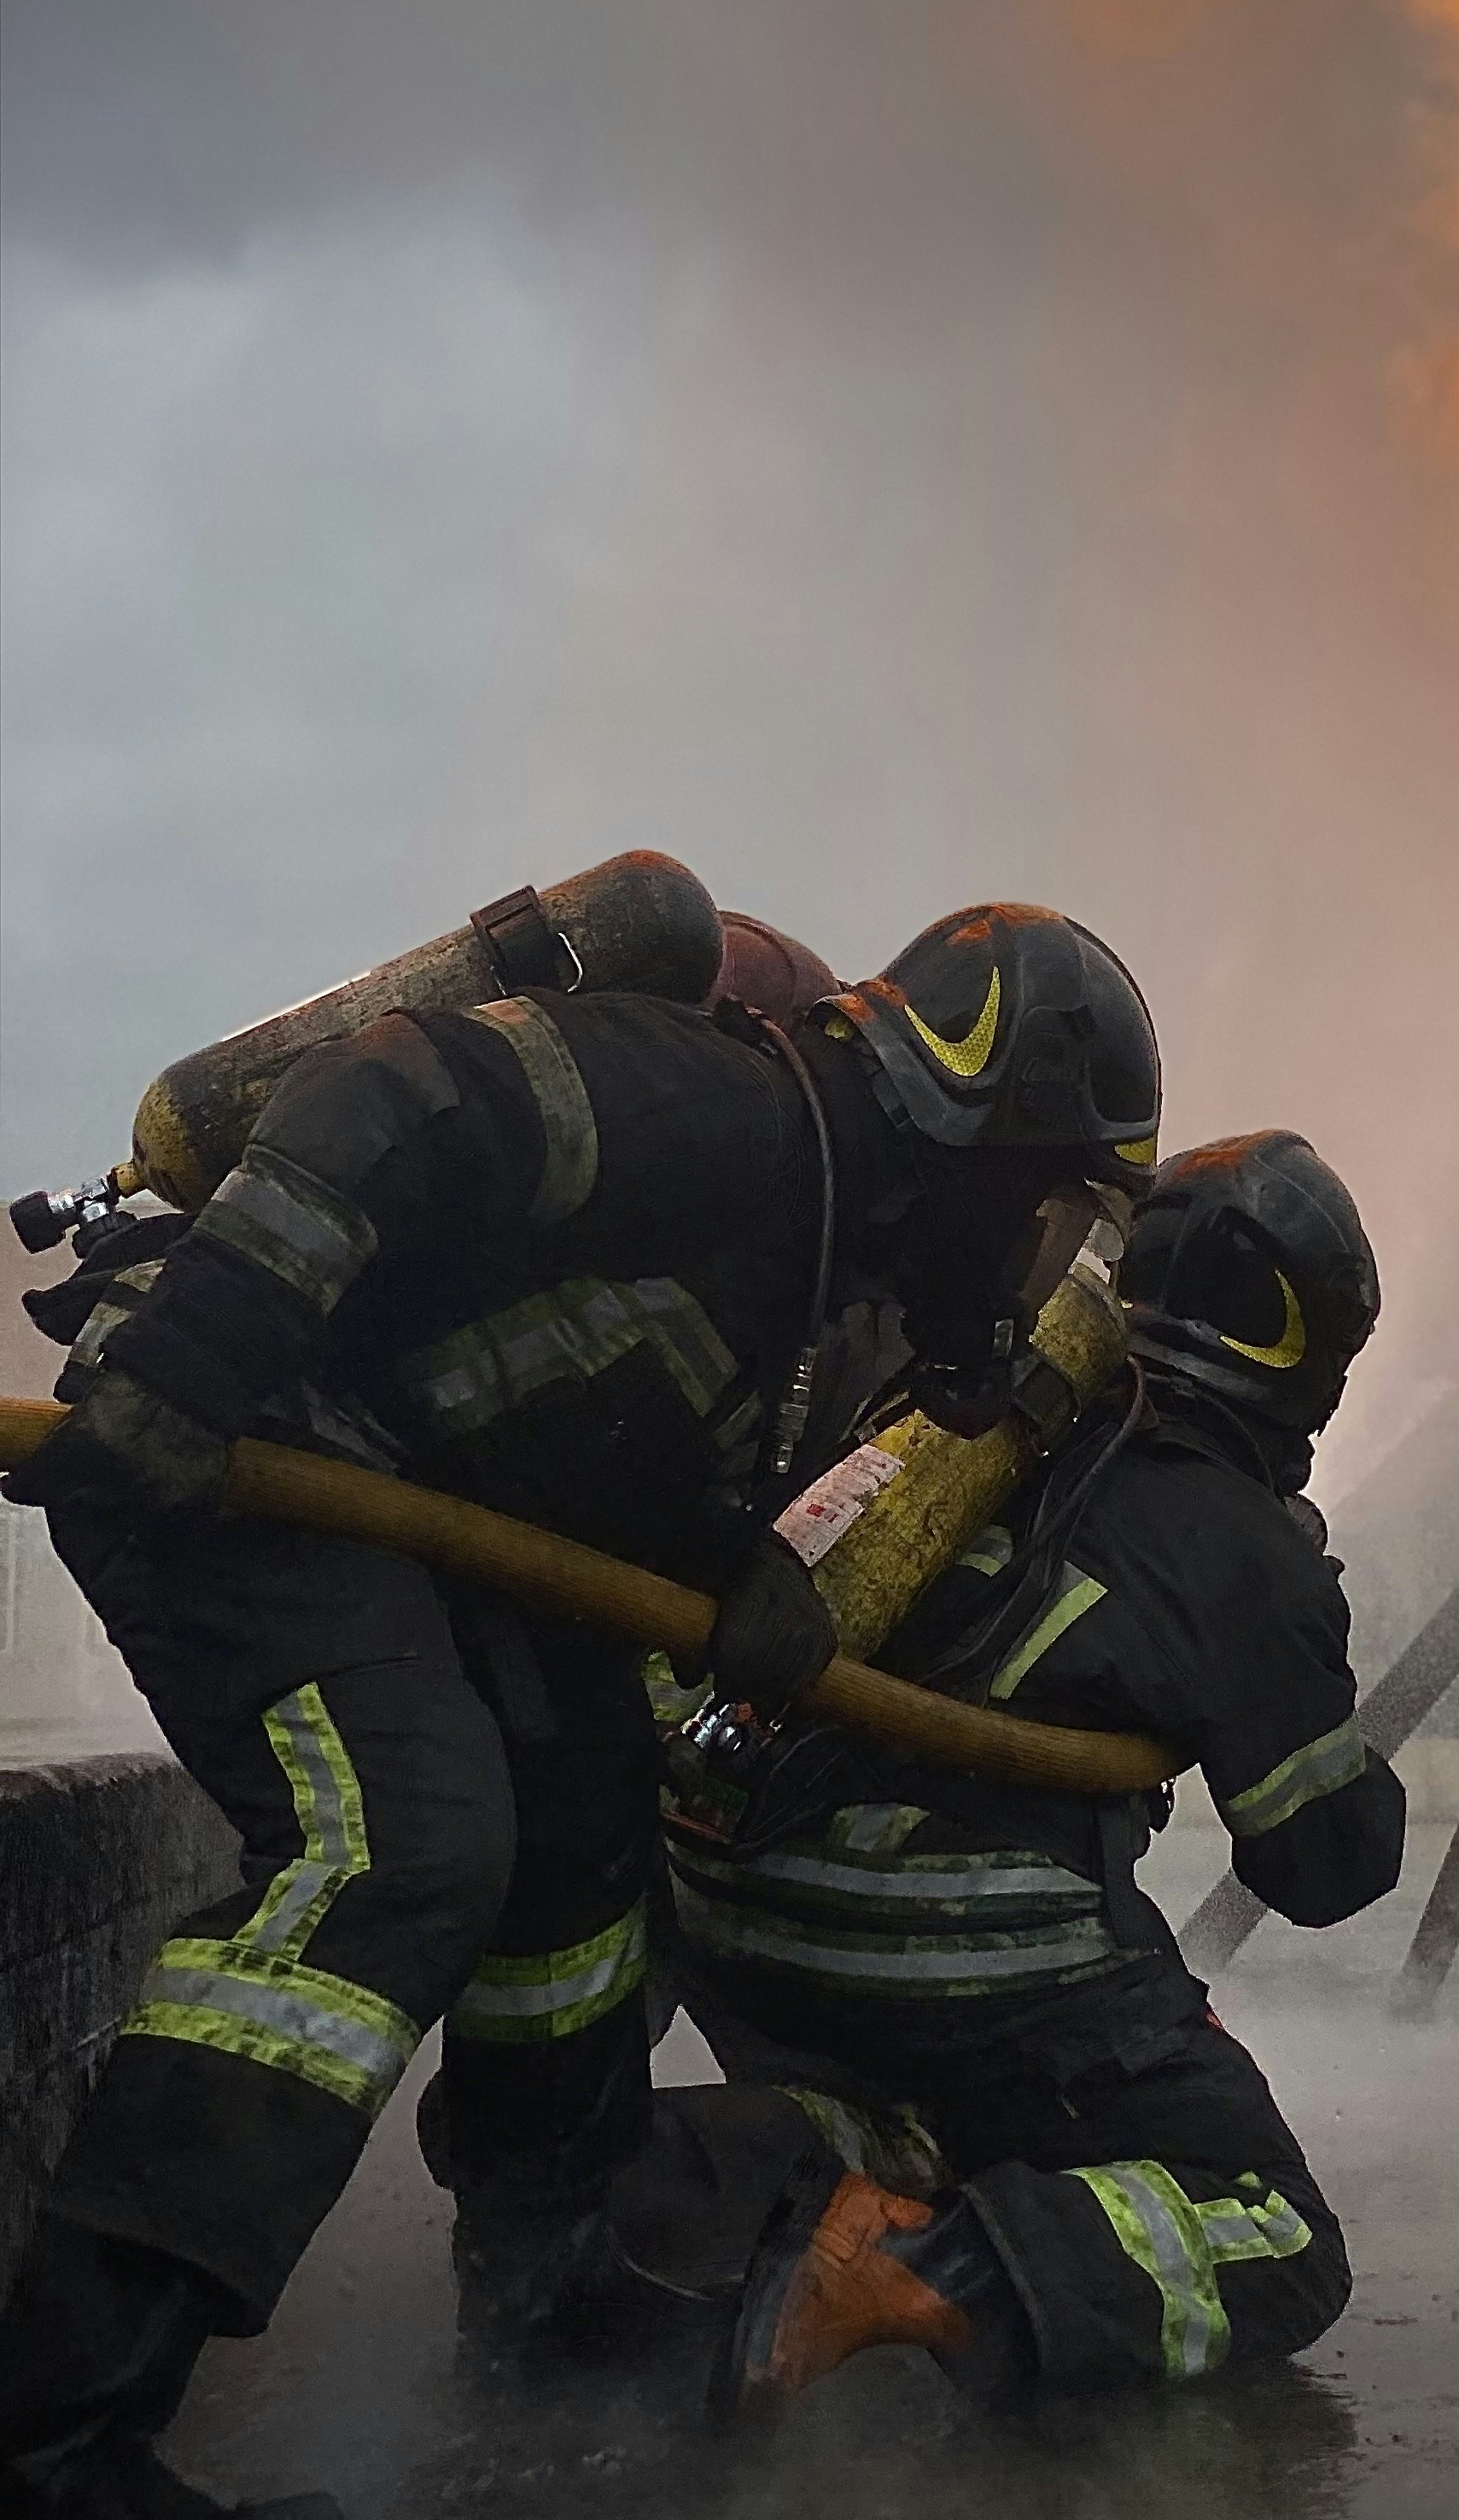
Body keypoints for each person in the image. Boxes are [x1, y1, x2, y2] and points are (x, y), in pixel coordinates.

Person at [0, 903, 1159, 2519]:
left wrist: (726, 1559)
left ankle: (543, 2307)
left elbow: (570, 1408)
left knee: (577, 1829)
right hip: (231, 1432)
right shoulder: (730, 1107)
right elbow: (388, 1096)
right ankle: (58, 2430)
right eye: (1047, 1205)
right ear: (973, 1127)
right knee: (407, 1839)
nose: (1039, 1255)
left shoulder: (813, 1252)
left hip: (386, 1481)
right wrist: (197, 1365)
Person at [612, 1128, 1405, 2413]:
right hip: (956, 1962)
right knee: (1271, 2234)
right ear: (1298, 1344)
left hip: (734, 1912)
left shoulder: (957, 1411)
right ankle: (932, 2268)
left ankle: (715, 2177)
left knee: (924, 2097)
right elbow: (1324, 1866)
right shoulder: (1230, 1534)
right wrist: (1303, 1650)